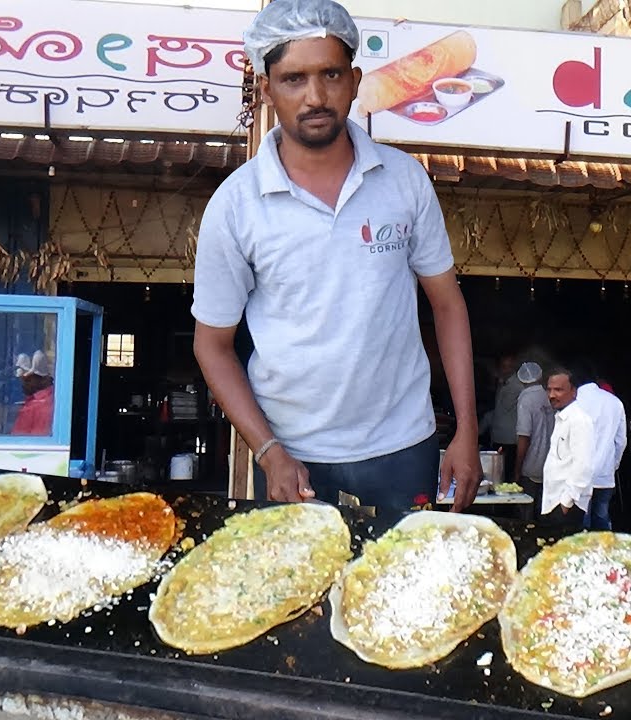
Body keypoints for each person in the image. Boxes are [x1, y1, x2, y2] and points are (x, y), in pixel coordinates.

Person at [190, 0, 481, 515]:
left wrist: (466, 431)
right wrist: (268, 449)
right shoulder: (235, 206)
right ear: (267, 89)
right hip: (293, 457)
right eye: (294, 79)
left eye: (330, 74)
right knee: (303, 596)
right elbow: (213, 346)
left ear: (354, 79)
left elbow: (448, 306)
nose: (316, 96)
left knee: (399, 594)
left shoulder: (404, 180)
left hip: (405, 448)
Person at [572, 365, 627, 530]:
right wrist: (613, 464)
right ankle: (604, 552)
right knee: (601, 516)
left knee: (582, 521)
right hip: (605, 475)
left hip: (578, 474)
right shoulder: (614, 402)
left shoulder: (573, 403)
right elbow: (620, 440)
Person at [541, 367, 595, 527]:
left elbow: (584, 467)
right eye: (549, 390)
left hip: (567, 504)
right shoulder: (562, 418)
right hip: (553, 501)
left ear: (574, 392)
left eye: (558, 390)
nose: (551, 395)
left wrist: (565, 503)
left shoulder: (579, 420)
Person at [512, 361, 553, 508]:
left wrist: (517, 469)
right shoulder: (548, 394)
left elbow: (524, 436)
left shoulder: (525, 399)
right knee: (544, 509)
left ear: (521, 380)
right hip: (550, 463)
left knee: (526, 510)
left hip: (532, 464)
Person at [490, 353, 521, 482]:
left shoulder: (516, 386)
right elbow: (496, 410)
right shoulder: (502, 383)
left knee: (504, 474)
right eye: (503, 366)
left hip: (508, 438)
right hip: (498, 435)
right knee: (495, 473)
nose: (505, 369)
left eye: (508, 366)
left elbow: (505, 407)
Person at [11, 350, 54, 436]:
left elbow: (18, 442)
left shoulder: (32, 409)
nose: (23, 383)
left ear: (41, 379)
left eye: (27, 380)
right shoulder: (54, 399)